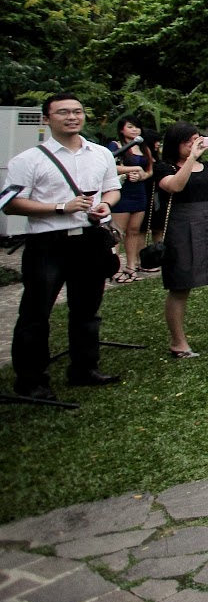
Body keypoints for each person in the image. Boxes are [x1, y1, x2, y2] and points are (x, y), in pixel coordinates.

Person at [1, 93, 123, 401]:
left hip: (89, 238)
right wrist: (60, 207)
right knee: (36, 312)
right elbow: (11, 204)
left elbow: (112, 190)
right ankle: (31, 380)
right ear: (47, 119)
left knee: (87, 309)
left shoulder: (99, 154)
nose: (72, 117)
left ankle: (84, 368)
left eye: (78, 112)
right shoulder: (29, 160)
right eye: (63, 112)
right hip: (49, 242)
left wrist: (105, 207)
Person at [154, 124, 208, 356]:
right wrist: (191, 159)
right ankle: (178, 342)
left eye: (198, 139)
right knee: (180, 286)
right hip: (180, 228)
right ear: (176, 144)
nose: (196, 144)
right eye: (189, 141)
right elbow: (175, 186)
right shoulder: (164, 167)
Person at [107, 115, 155, 283]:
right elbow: (108, 165)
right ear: (122, 129)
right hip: (120, 192)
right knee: (116, 233)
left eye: (137, 127)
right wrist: (131, 169)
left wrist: (142, 176)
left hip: (139, 191)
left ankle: (131, 266)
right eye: (130, 127)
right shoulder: (116, 146)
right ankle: (114, 268)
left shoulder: (143, 147)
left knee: (134, 230)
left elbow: (149, 170)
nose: (134, 130)